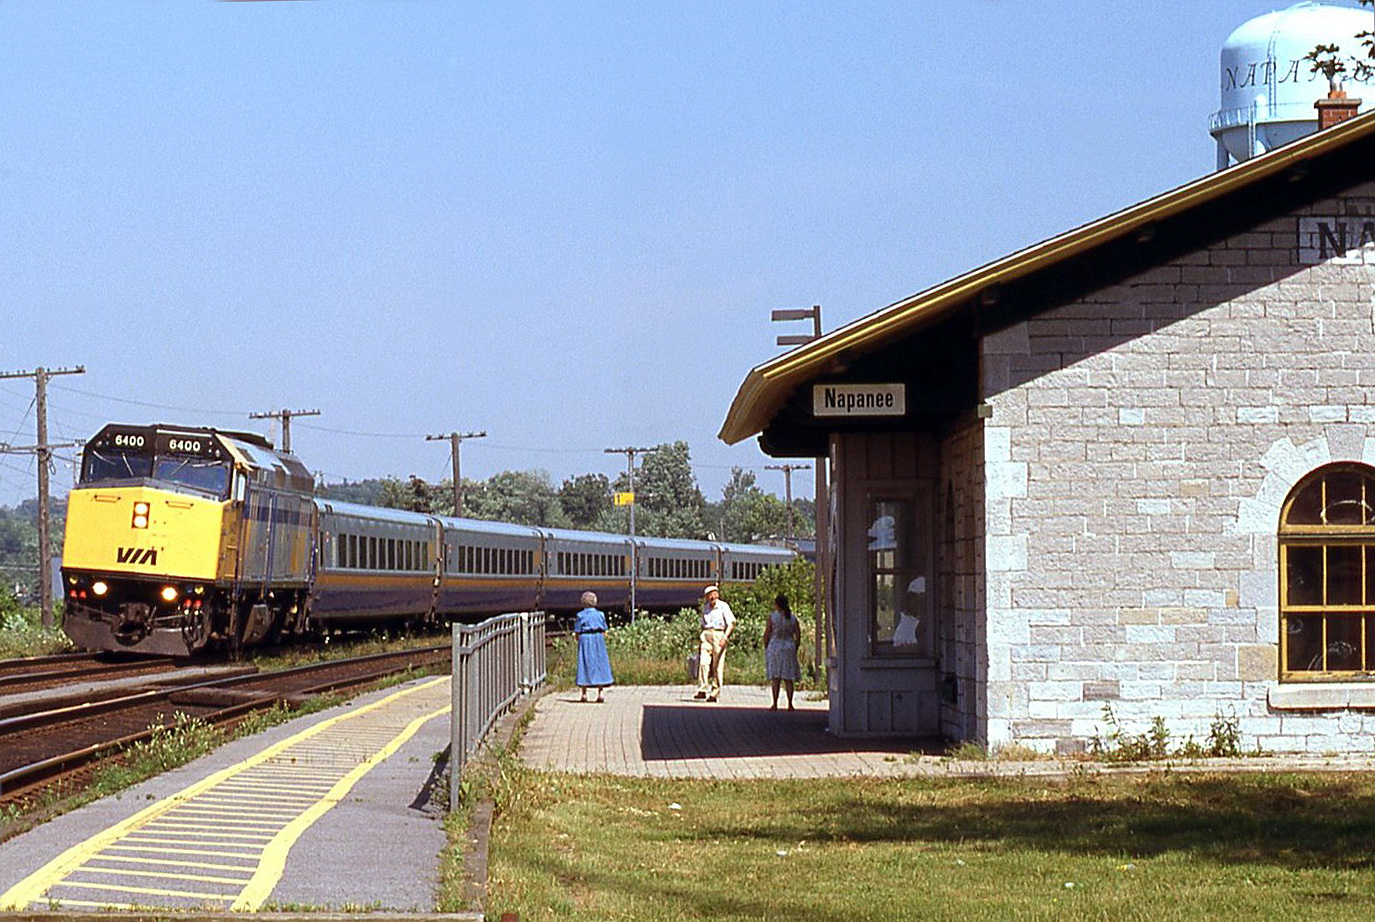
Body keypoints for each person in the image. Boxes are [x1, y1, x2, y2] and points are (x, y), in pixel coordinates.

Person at [694, 584, 735, 702]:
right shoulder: (706, 608)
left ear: (717, 594)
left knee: (717, 666)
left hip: (719, 635)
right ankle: (702, 689)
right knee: (703, 662)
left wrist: (725, 637)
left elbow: (731, 623)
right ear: (706, 597)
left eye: (714, 594)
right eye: (709, 595)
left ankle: (715, 693)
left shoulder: (723, 606)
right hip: (706, 635)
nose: (712, 597)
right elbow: (703, 623)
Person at [763, 593, 802, 710]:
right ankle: (790, 704)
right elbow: (798, 635)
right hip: (788, 646)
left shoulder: (772, 617)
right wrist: (795, 647)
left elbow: (767, 633)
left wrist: (766, 646)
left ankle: (775, 704)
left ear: (777, 605)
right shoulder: (793, 618)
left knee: (776, 677)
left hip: (775, 646)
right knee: (788, 677)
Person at [573, 591, 613, 702]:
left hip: (585, 639)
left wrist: (579, 639)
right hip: (598, 638)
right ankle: (600, 693)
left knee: (584, 664)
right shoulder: (600, 614)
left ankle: (584, 694)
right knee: (599, 664)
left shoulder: (580, 615)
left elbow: (577, 631)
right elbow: (604, 629)